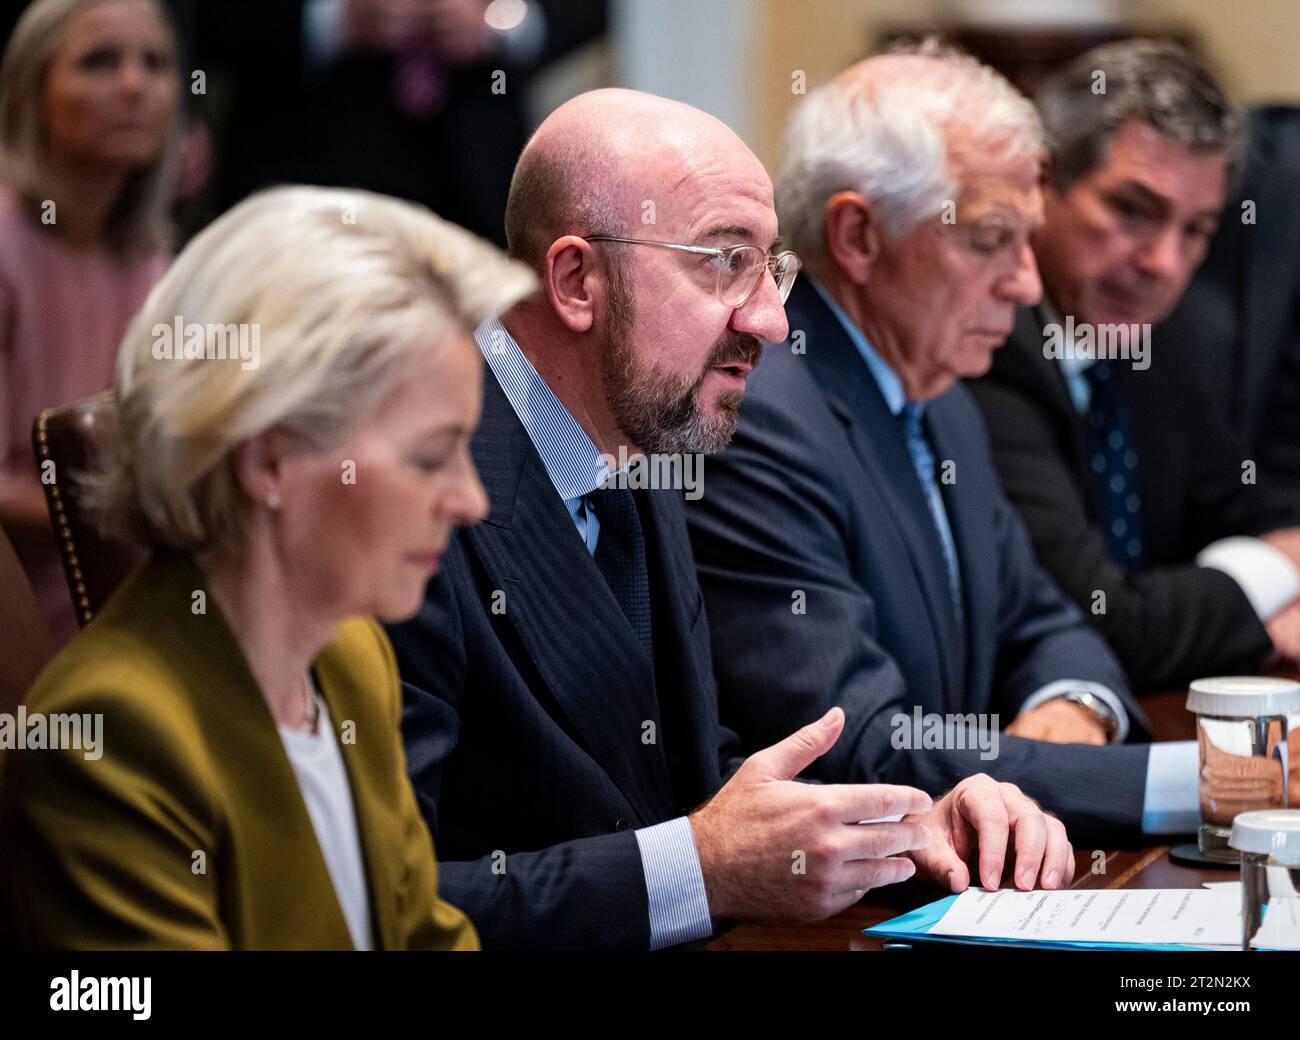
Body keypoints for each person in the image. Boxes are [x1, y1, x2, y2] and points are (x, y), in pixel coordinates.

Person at [388, 87, 1075, 952]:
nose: (772, 320)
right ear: (575, 280)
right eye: (723, 261)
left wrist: (906, 831)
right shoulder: (403, 485)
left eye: (773, 269)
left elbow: (696, 791)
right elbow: (381, 907)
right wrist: (701, 870)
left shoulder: (641, 441)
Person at [0, 185, 533, 949]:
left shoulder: (351, 657)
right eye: (429, 456)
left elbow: (426, 936)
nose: (471, 500)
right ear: (270, 459)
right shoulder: (105, 743)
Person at [685, 43, 1186, 839]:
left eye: (1029, 241)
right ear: (858, 236)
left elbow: (1044, 620)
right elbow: (860, 753)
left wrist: (1071, 705)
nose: (1025, 284)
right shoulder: (761, 419)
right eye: (990, 239)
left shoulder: (941, 395)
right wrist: (1201, 783)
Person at [965, 40, 1300, 692]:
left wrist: (1257, 564)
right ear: (1042, 184)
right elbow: (1108, 621)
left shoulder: (1156, 338)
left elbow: (1243, 511)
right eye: (1132, 211)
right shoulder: (985, 346)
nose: (1163, 264)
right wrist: (1271, 584)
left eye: (1195, 230)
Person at [0, 0, 180, 646]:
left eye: (155, 63)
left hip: (134, 598)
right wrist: (135, 509)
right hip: (28, 619)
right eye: (99, 62)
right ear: (30, 94)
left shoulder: (151, 262)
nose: (134, 85)